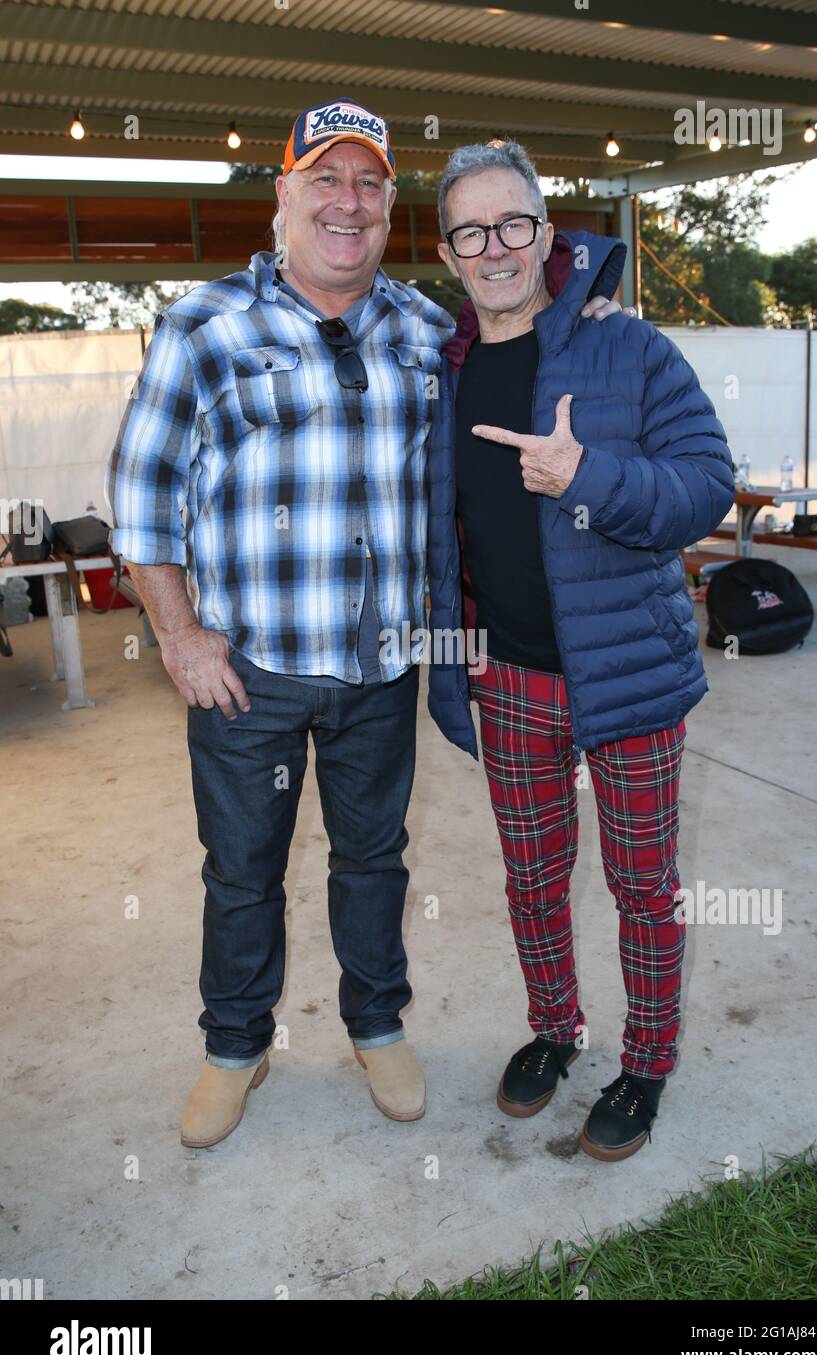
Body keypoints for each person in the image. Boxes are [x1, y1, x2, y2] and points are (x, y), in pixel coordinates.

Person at [105, 99, 625, 1148]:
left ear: (390, 207)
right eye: (324, 179)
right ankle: (233, 1047)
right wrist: (177, 633)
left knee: (372, 858)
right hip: (245, 672)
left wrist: (596, 321)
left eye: (368, 183)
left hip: (381, 668)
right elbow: (141, 497)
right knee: (241, 870)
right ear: (285, 196)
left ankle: (376, 1024)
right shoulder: (203, 327)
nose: (346, 200)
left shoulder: (427, 332)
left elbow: (533, 346)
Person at [426, 140, 735, 1161]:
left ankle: (645, 1061)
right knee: (530, 877)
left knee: (641, 883)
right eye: (471, 230)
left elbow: (703, 483)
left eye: (513, 223)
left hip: (628, 676)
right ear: (447, 251)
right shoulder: (439, 365)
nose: (495, 247)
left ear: (546, 232)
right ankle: (555, 1029)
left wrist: (588, 475)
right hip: (504, 676)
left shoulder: (626, 348)